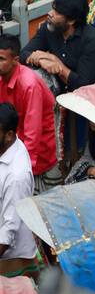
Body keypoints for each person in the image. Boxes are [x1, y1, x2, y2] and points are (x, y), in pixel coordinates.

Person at [20, 0, 95, 94]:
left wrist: (58, 65)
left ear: (71, 20)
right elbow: (23, 54)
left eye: (57, 12)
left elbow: (82, 85)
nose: (50, 14)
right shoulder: (49, 28)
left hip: (88, 97)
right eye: (53, 9)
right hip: (58, 87)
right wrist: (42, 60)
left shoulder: (93, 41)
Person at [0, 35, 56, 180]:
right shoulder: (2, 76)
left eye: (1, 59)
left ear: (16, 61)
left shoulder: (29, 85)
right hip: (12, 146)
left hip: (38, 154)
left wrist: (23, 169)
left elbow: (33, 133)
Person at [0, 104, 38, 275]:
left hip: (11, 258)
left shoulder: (17, 176)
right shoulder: (8, 145)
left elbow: (9, 230)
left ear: (9, 135)